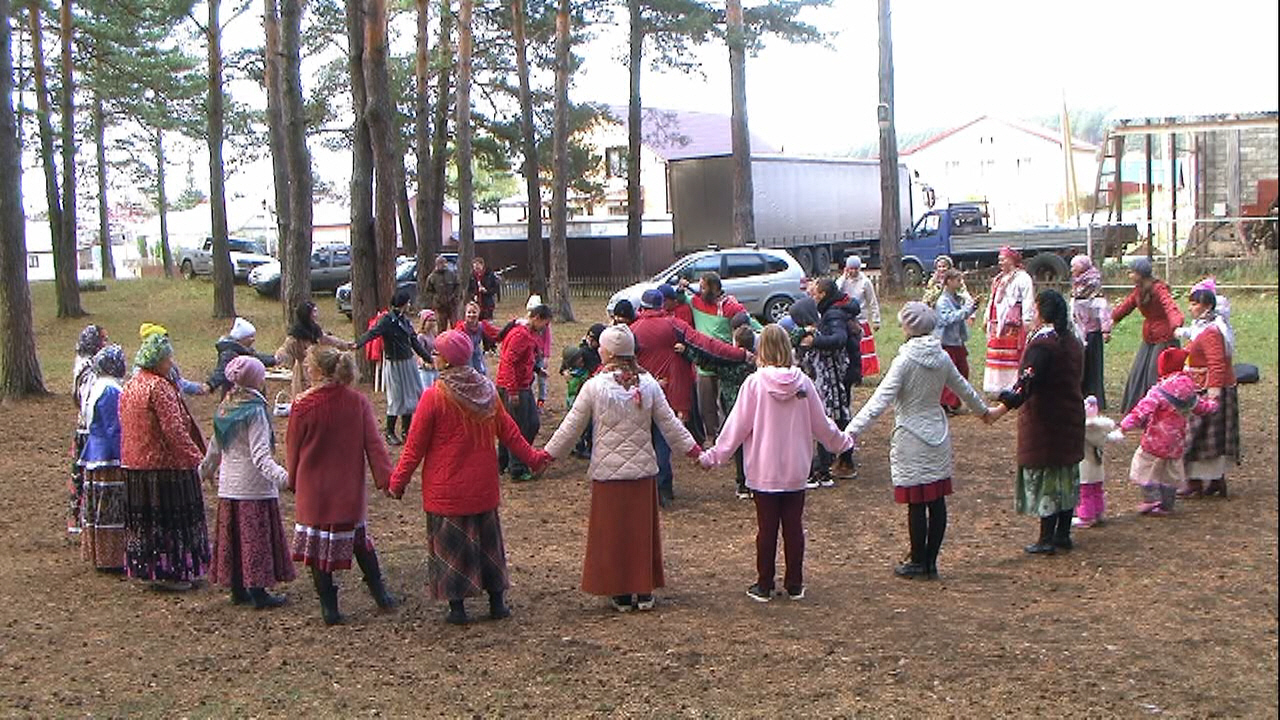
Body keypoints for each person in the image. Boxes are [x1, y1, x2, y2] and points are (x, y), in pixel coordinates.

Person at [387, 330, 552, 625]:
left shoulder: (434, 397)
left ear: (448, 361)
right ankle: (497, 603)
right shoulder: (487, 391)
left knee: (451, 549)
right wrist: (535, 459)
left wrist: (397, 482)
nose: (433, 357)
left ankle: (458, 608)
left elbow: (414, 447)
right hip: (483, 487)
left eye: (436, 353)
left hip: (446, 489)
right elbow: (511, 433)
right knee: (489, 544)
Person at [542, 325, 700, 613]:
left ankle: (621, 592)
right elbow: (670, 425)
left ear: (610, 352)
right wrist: (694, 452)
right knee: (640, 532)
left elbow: (571, 427)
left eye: (602, 348)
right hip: (642, 471)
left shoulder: (594, 386)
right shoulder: (649, 385)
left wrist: (546, 456)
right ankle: (643, 590)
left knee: (613, 533)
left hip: (608, 472)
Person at [699, 325, 854, 601]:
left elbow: (736, 426)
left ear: (760, 350)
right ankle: (794, 582)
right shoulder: (803, 383)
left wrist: (714, 456)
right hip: (796, 468)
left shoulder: (754, 384)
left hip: (763, 468)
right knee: (794, 526)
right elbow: (822, 424)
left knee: (766, 529)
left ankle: (764, 583)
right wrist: (841, 443)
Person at [846, 303, 990, 579]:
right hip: (937, 432)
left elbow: (879, 401)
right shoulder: (943, 357)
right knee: (936, 500)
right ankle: (931, 562)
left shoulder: (905, 361)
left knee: (916, 501)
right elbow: (964, 388)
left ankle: (917, 560)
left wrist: (849, 433)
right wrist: (984, 412)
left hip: (911, 434)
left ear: (908, 327)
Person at [287, 346, 396, 625]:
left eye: (309, 367)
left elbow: (293, 448)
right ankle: (380, 594)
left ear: (320, 371)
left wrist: (292, 478)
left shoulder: (302, 406)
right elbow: (374, 445)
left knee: (316, 551)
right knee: (360, 543)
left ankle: (329, 608)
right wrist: (386, 479)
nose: (307, 371)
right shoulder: (357, 402)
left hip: (314, 491)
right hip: (347, 490)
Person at [985, 289, 1085, 555]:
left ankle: (1046, 538)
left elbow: (1026, 383)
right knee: (1065, 476)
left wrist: (1000, 409)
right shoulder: (1072, 340)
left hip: (1047, 421)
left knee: (1049, 477)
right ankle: (1062, 534)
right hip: (1071, 415)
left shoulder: (1043, 345)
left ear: (1041, 312)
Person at [631, 288, 750, 506]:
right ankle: (664, 490)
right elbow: (707, 344)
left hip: (639, 392)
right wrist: (740, 354)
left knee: (641, 441)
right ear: (662, 305)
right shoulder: (673, 325)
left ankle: (642, 489)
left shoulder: (633, 330)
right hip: (669, 392)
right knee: (662, 441)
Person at [199, 356, 295, 609]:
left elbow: (214, 448)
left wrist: (205, 470)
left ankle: (238, 587)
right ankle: (258, 591)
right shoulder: (255, 411)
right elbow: (260, 456)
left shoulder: (225, 407)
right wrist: (285, 478)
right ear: (255, 380)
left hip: (229, 487)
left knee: (235, 538)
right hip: (253, 488)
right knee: (254, 538)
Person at [119, 333, 211, 589]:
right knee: (170, 522)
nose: (171, 363)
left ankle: (149, 569)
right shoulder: (159, 387)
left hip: (135, 466)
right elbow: (174, 430)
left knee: (148, 523)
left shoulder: (131, 384)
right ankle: (172, 571)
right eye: (168, 358)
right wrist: (197, 459)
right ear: (158, 361)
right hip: (164, 468)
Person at [1117, 348, 1217, 515]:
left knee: (1143, 465)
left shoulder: (1158, 391)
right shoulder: (1189, 392)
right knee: (1170, 472)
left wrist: (1124, 426)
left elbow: (1141, 411)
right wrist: (1214, 404)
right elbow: (1201, 408)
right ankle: (1167, 505)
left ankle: (1151, 499)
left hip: (1155, 440)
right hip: (1176, 443)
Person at [1177, 283, 1240, 498]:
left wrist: (1213, 393)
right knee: (1203, 437)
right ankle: (1213, 481)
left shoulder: (1212, 330)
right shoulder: (1203, 327)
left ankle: (1198, 482)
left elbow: (1216, 362)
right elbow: (1195, 351)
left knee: (1197, 436)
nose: (1191, 308)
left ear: (1207, 307)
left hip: (1210, 390)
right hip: (1201, 387)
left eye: (1195, 304)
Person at [355, 290, 433, 446]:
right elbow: (373, 333)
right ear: (403, 304)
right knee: (396, 398)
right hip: (395, 363)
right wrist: (358, 344)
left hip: (408, 362)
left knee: (411, 396)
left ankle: (406, 431)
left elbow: (414, 342)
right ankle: (389, 432)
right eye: (408, 302)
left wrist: (428, 357)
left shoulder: (405, 321)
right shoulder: (387, 320)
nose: (410, 305)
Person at [686, 272, 755, 446]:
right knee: (707, 403)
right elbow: (679, 299)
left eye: (704, 287)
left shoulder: (730, 306)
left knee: (729, 400)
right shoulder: (695, 302)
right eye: (699, 287)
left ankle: (732, 435)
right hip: (706, 362)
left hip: (726, 360)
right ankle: (713, 436)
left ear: (715, 287)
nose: (700, 290)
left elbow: (747, 322)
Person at [786, 295, 849, 489]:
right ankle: (824, 468)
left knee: (813, 427)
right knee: (824, 425)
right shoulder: (822, 334)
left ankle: (817, 471)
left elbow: (800, 356)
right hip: (829, 386)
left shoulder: (812, 338)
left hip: (817, 387)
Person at [1111, 257, 1184, 413]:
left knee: (1155, 372)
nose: (1129, 275)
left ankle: (1159, 409)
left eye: (1131, 272)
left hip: (1164, 336)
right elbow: (1126, 306)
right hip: (1149, 336)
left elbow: (1169, 306)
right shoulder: (1138, 290)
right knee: (1140, 370)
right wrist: (1111, 318)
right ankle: (1141, 408)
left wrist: (1176, 325)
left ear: (1140, 273)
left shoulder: (1159, 289)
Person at [78, 345, 128, 571]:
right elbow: (113, 427)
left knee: (99, 506)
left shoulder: (97, 386)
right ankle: (111, 557)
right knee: (109, 507)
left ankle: (100, 554)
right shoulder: (110, 391)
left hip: (95, 452)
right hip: (108, 455)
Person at [495, 304, 552, 482]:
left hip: (522, 385)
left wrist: (536, 369)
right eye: (545, 323)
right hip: (514, 387)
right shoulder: (520, 335)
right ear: (537, 318)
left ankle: (503, 462)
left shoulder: (527, 334)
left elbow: (523, 359)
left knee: (514, 426)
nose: (544, 328)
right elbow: (508, 362)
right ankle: (517, 468)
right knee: (522, 427)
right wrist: (512, 391)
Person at [70, 324, 108, 535]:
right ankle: (82, 519)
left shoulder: (85, 364)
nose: (106, 344)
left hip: (85, 427)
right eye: (103, 340)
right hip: (88, 429)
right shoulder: (88, 368)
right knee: (85, 474)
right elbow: (86, 401)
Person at [982, 247, 1036, 394]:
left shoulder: (1023, 278)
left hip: (1013, 322)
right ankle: (997, 387)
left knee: (1011, 354)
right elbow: (992, 299)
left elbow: (1028, 300)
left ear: (1012, 260)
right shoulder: (999, 279)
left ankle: (1013, 386)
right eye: (999, 259)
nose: (1000, 262)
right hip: (996, 321)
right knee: (997, 353)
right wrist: (987, 316)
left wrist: (1027, 319)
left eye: (1003, 259)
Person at [275, 301, 355, 400]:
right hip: (302, 371)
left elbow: (327, 340)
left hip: (316, 367)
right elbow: (284, 350)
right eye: (314, 312)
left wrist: (346, 345)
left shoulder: (314, 329)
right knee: (303, 397)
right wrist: (279, 359)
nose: (316, 315)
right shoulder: (296, 334)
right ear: (307, 314)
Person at [1070, 255, 1113, 409]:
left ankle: (1095, 397)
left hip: (1093, 333)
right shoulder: (1077, 285)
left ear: (1083, 266)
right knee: (1081, 364)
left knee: (1093, 365)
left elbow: (1101, 308)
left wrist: (1105, 330)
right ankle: (1080, 395)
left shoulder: (1092, 284)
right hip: (1079, 332)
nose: (1072, 269)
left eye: (1074, 266)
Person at [934, 269, 980, 413]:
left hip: (957, 341)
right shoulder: (943, 301)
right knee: (951, 372)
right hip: (947, 342)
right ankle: (948, 402)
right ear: (949, 281)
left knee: (962, 371)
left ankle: (952, 400)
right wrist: (967, 311)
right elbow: (947, 319)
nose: (960, 283)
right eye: (958, 280)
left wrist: (972, 308)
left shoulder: (955, 298)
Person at [1075, 395, 1123, 529]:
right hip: (1097, 465)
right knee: (1097, 489)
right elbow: (1108, 438)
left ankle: (1086, 516)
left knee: (1084, 491)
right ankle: (1098, 512)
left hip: (1084, 464)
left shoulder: (1084, 430)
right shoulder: (1101, 431)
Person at [209, 317, 280, 397]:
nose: (253, 340)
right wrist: (211, 384)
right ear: (241, 338)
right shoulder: (229, 353)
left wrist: (274, 360)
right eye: (250, 337)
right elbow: (221, 371)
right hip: (234, 395)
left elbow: (257, 358)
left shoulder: (243, 350)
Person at [836, 255, 882, 377]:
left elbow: (872, 301)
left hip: (861, 318)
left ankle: (863, 371)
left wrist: (876, 320)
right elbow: (836, 292)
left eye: (856, 269)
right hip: (846, 318)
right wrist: (843, 278)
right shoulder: (843, 281)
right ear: (847, 269)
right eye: (851, 269)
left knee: (862, 347)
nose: (854, 271)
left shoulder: (865, 282)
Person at [138, 323, 209, 396]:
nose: (167, 344)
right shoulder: (143, 376)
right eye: (163, 341)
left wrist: (198, 388)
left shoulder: (168, 363)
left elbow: (179, 382)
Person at [455, 301, 501, 374]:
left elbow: (497, 333)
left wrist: (511, 327)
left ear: (478, 314)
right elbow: (454, 343)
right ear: (465, 314)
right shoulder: (460, 328)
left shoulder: (482, 325)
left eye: (474, 312)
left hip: (477, 356)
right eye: (469, 312)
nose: (471, 315)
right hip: (465, 357)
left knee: (481, 373)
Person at [422, 254, 461, 330]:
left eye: (443, 263)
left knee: (455, 326)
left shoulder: (451, 274)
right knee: (441, 327)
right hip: (440, 307)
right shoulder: (432, 277)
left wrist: (455, 296)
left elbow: (457, 286)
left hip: (452, 305)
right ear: (436, 264)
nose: (442, 265)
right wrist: (435, 300)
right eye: (440, 263)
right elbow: (428, 291)